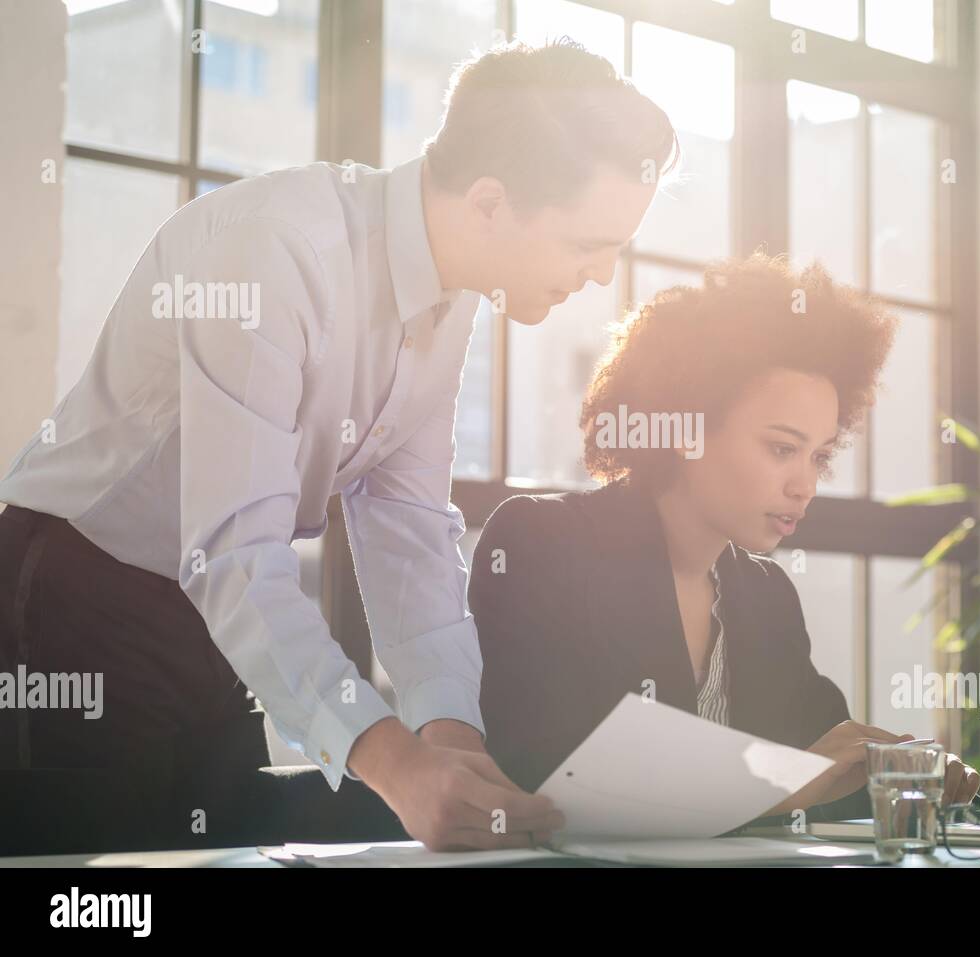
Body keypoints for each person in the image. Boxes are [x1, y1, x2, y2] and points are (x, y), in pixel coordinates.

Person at [0, 38, 678, 855]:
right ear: (493, 202)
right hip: (78, 587)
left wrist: (450, 734)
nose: (603, 276)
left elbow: (410, 530)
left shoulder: (455, 292)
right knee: (100, 885)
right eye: (587, 245)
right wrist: (397, 765)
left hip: (216, 609)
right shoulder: (276, 251)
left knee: (220, 853)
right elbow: (232, 552)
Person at [469, 253, 980, 826]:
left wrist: (906, 775)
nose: (805, 485)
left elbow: (826, 768)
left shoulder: (765, 595)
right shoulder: (542, 542)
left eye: (819, 456)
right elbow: (550, 776)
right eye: (782, 449)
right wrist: (791, 782)